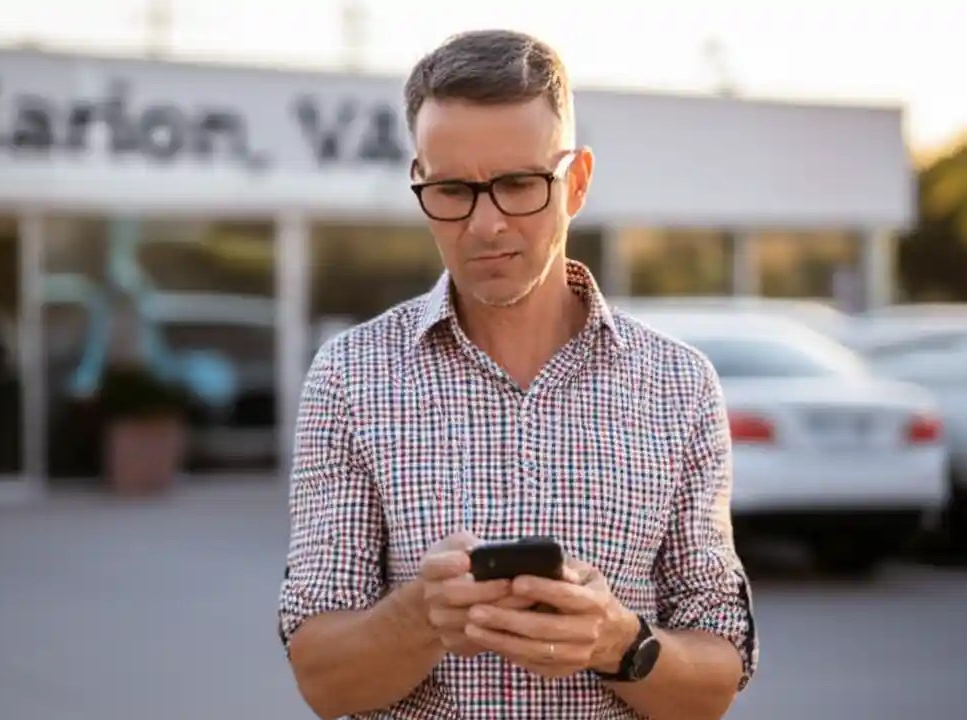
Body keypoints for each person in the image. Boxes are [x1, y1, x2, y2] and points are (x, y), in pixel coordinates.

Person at [277, 28, 757, 720]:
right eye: (452, 190)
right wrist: (420, 615)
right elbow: (321, 679)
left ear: (578, 183)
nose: (485, 224)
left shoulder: (678, 386)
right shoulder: (351, 377)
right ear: (421, 180)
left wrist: (621, 643)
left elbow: (716, 678)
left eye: (518, 185)